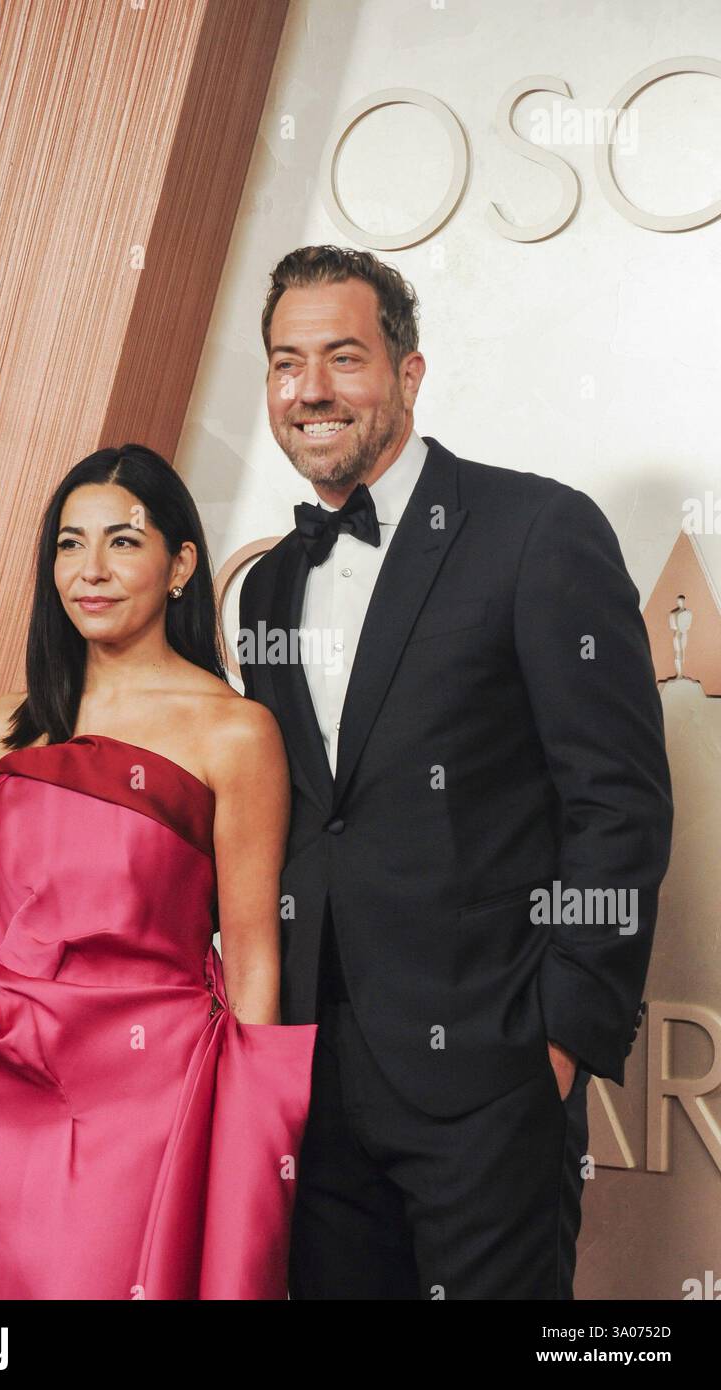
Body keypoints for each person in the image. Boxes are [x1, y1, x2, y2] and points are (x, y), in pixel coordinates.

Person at [237, 245, 674, 1299]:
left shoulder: (537, 530)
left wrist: (559, 1039)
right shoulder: (265, 589)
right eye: (288, 363)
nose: (313, 390)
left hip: (492, 1078)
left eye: (344, 356)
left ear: (410, 372)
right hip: (316, 1085)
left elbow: (618, 802)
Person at [0, 444, 317, 1300]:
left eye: (123, 541)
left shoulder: (235, 732)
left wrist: (253, 1143)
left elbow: (257, 955)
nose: (92, 570)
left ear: (181, 563)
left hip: (155, 1094)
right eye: (71, 545)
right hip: (12, 1083)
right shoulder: (1, 731)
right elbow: (14, 921)